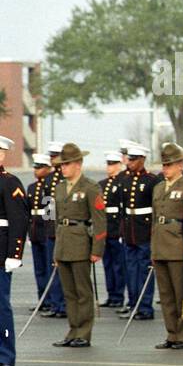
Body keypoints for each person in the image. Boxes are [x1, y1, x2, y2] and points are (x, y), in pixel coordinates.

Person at [50, 142, 107, 348]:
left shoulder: (90, 187)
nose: (62, 168)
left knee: (83, 291)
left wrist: (97, 249)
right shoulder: (59, 188)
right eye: (61, 164)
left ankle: (84, 332)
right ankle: (73, 330)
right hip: (64, 243)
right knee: (69, 292)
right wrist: (56, 250)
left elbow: (100, 219)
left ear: (78, 164)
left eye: (66, 164)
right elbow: (57, 221)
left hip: (81, 243)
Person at [150, 143, 183, 350]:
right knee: (165, 295)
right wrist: (153, 250)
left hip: (177, 246)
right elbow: (155, 221)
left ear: (180, 165)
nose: (166, 169)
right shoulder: (158, 188)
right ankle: (171, 333)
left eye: (170, 165)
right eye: (164, 165)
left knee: (181, 293)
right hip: (160, 246)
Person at [0, 135, 31, 366]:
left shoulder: (10, 182)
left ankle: (6, 356)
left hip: (1, 254)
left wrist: (15, 253)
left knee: (1, 307)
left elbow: (19, 219)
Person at [118, 141, 157, 322]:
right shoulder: (124, 180)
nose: (129, 163)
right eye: (129, 160)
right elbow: (122, 208)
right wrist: (122, 231)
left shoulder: (152, 181)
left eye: (133, 160)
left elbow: (156, 209)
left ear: (142, 159)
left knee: (144, 270)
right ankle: (133, 304)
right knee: (131, 270)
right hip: (130, 232)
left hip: (145, 231)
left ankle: (145, 307)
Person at [27, 153, 64, 318]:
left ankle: (55, 302)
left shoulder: (53, 181)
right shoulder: (33, 187)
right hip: (36, 230)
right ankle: (45, 299)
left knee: (52, 269)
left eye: (40, 167)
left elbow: (51, 211)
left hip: (48, 229)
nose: (36, 170)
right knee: (40, 269)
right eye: (35, 167)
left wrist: (52, 230)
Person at [99, 151, 126, 309]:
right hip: (106, 227)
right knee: (108, 264)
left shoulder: (122, 182)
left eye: (112, 164)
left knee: (118, 264)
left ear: (119, 165)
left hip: (117, 228)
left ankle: (118, 295)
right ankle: (111, 294)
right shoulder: (102, 184)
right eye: (108, 164)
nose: (109, 167)